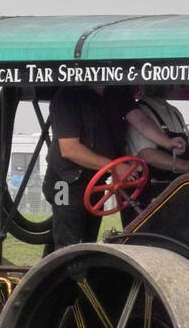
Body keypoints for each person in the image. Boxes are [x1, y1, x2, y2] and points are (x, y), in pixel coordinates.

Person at [42, 84, 135, 251]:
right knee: (68, 245)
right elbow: (70, 150)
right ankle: (67, 274)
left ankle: (71, 273)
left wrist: (167, 142)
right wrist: (115, 167)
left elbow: (139, 120)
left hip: (95, 182)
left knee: (87, 243)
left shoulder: (115, 94)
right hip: (65, 181)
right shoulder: (67, 96)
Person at [125, 91, 189, 175]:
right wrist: (186, 165)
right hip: (153, 183)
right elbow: (147, 154)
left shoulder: (175, 111)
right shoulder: (139, 109)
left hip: (181, 182)